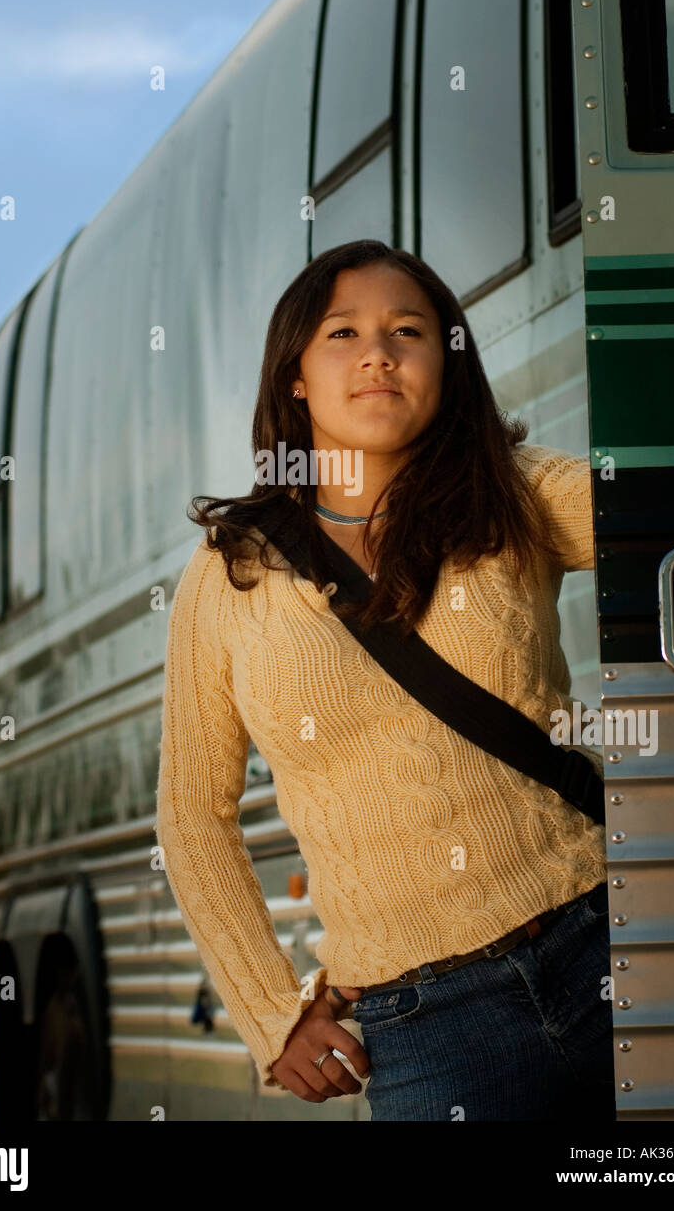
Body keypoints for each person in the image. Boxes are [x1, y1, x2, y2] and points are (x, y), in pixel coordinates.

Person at [156, 239, 615, 1121]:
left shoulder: (512, 491)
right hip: (427, 1025)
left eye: (409, 330)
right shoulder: (228, 575)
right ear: (295, 375)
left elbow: (665, 516)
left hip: (607, 949)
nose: (379, 351)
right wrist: (270, 1015)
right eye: (344, 333)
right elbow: (192, 818)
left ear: (445, 363)